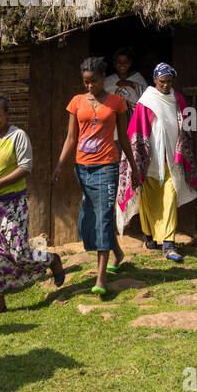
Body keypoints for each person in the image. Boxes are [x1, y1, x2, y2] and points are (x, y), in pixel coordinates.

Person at [0, 94, 65, 318]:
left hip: (13, 204)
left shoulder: (18, 136)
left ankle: (51, 260)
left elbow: (25, 167)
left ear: (7, 115)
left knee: (19, 253)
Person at [53, 57, 139, 295]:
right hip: (82, 167)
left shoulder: (116, 103)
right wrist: (60, 164)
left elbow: (123, 138)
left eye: (93, 81)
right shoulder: (76, 102)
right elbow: (71, 138)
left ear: (104, 78)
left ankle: (100, 278)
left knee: (103, 216)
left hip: (107, 165)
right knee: (90, 217)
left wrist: (133, 167)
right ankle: (117, 252)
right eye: (85, 82)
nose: (89, 86)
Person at [116, 63, 197, 263]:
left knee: (170, 196)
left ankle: (169, 244)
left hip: (171, 160)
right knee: (149, 199)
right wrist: (137, 158)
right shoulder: (146, 101)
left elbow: (184, 126)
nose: (165, 85)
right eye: (162, 81)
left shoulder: (178, 99)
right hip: (150, 160)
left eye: (169, 81)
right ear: (155, 80)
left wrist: (182, 146)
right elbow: (136, 130)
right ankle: (148, 236)